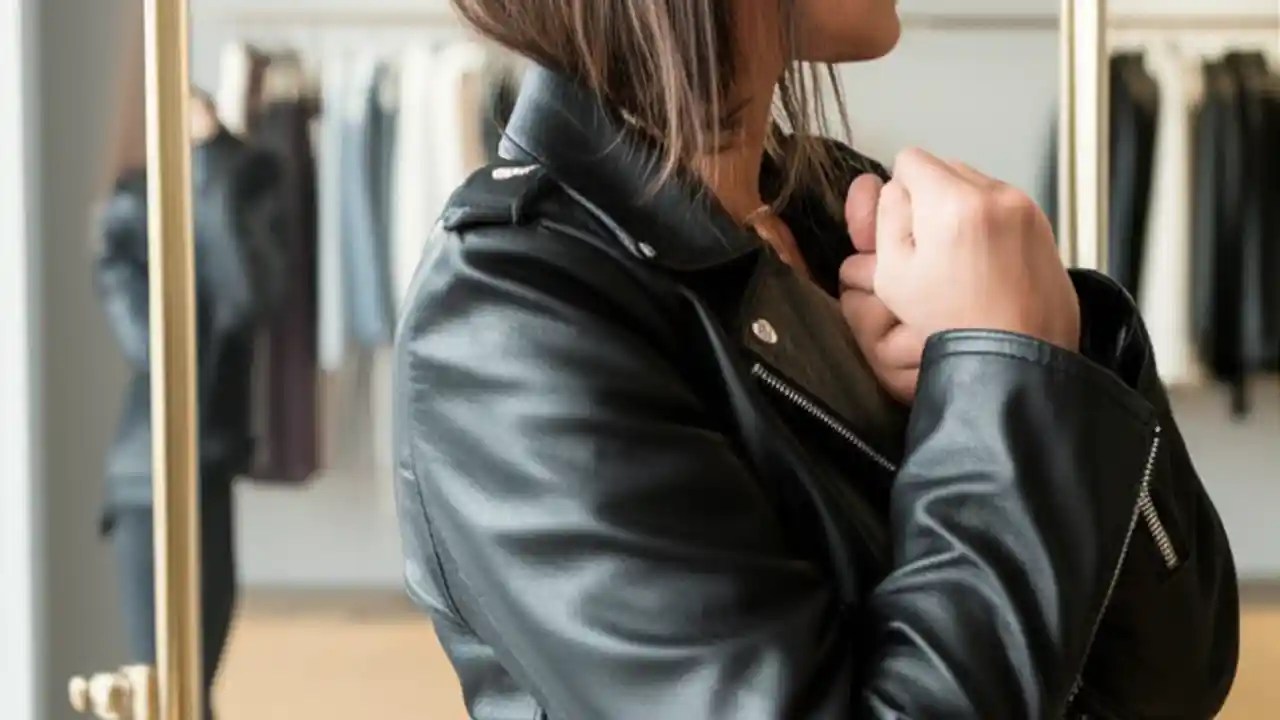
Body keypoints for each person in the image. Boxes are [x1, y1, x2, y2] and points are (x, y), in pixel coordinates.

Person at [393, 2, 1239, 717]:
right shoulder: (515, 322)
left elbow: (1172, 678)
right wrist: (1004, 380)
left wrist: (1060, 348)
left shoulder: (834, 207)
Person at [96, 92, 282, 720]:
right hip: (146, 478)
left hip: (211, 465)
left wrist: (212, 166)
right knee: (170, 691)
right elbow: (163, 348)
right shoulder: (130, 210)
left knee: (196, 688)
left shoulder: (235, 184)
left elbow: (248, 297)